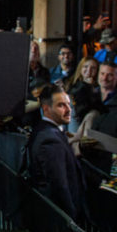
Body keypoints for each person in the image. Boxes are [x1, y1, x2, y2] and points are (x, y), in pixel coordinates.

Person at [27, 84, 87, 221]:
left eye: (68, 104)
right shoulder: (50, 139)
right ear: (46, 108)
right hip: (59, 220)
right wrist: (71, 219)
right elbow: (58, 186)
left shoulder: (47, 131)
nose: (68, 110)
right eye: (61, 105)